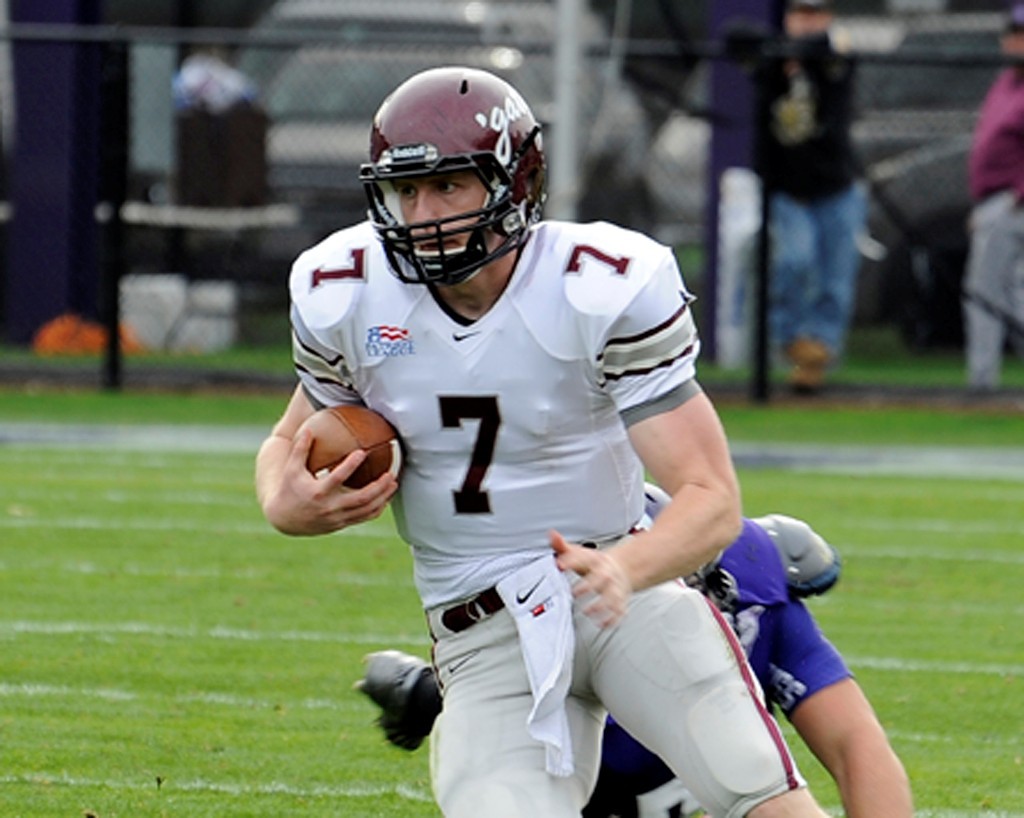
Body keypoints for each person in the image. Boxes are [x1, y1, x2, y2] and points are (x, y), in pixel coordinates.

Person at [255, 65, 829, 818]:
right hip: (482, 632)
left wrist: (626, 568)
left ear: (514, 184)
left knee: (757, 791)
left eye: (449, 187)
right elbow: (288, 439)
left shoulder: (598, 285)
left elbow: (711, 500)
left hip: (628, 601)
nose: (421, 214)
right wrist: (283, 500)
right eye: (405, 191)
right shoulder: (350, 291)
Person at [358, 487, 914, 818]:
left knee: (755, 779)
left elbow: (854, 743)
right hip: (587, 787)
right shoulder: (559, 630)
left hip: (700, 777)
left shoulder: (755, 593)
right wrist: (429, 696)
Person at [759, 0, 866, 393]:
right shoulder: (769, 60)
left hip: (837, 187)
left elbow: (831, 46)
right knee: (795, 262)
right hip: (789, 190)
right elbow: (740, 42)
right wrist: (781, 54)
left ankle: (816, 359)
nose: (809, 21)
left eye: (816, 12)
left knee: (835, 281)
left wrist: (796, 50)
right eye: (801, 12)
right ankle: (790, 341)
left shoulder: (834, 53)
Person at [962, 2, 1024, 392]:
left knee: (987, 293)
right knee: (1009, 292)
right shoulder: (1006, 81)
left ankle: (982, 383)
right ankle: (983, 380)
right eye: (1013, 33)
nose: (1015, 41)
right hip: (992, 201)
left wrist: (1016, 197)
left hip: (1013, 203)